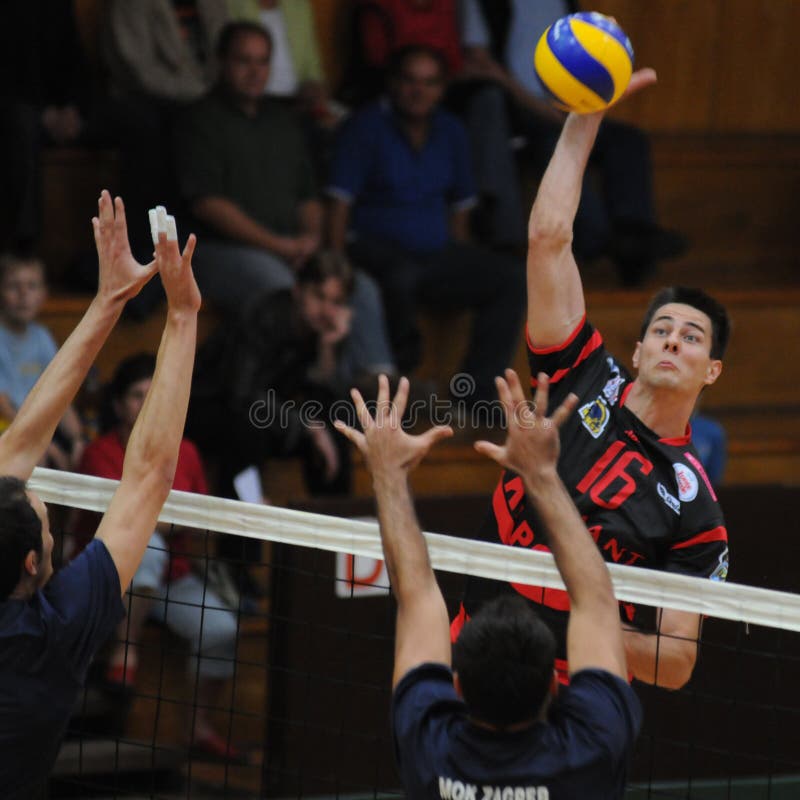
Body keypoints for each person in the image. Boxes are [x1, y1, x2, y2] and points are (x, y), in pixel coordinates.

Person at [453, 69, 730, 690]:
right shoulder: (583, 375)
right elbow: (548, 240)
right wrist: (587, 113)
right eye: (661, 328)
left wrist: (560, 616)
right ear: (636, 350)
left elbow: (676, 664)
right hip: (467, 658)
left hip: (569, 694)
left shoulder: (695, 508)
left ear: (711, 371)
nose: (672, 339)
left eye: (692, 336)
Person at [334, 371, 641, 798]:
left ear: (456, 686)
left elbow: (418, 599)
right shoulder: (590, 751)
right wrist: (541, 476)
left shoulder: (430, 749)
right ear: (554, 688)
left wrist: (388, 473)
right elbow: (598, 603)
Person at [0, 190, 201, 798]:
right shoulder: (57, 632)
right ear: (34, 563)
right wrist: (183, 315)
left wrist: (110, 299)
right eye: (43, 517)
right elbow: (147, 477)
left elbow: (18, 450)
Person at [175, 20, 395, 377]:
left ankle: (380, 387)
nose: (254, 71)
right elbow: (208, 204)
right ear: (221, 62)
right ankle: (313, 390)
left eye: (262, 61)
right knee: (281, 287)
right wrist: (280, 246)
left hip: (288, 249)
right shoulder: (199, 119)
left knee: (360, 286)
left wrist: (312, 244)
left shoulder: (284, 121)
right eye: (243, 60)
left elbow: (307, 197)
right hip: (217, 252)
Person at [328, 44, 524, 403]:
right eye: (410, 80)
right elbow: (340, 203)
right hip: (373, 250)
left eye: (430, 82)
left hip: (434, 252)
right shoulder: (363, 126)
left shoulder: (452, 130)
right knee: (401, 275)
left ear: (442, 88)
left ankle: (477, 392)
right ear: (393, 82)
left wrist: (459, 257)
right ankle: (402, 377)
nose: (419, 91)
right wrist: (336, 265)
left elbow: (461, 206)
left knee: (511, 277)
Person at [73, 353, 240, 761]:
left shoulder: (188, 452)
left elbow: (203, 523)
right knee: (146, 546)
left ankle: (196, 729)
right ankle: (125, 652)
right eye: (135, 396)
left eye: (154, 396)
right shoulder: (98, 455)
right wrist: (167, 521)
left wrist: (160, 519)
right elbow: (123, 526)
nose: (145, 405)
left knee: (221, 628)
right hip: (108, 576)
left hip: (174, 579)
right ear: (117, 404)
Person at [459, 0, 687, 285]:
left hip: (571, 106)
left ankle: (633, 235)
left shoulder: (562, 2)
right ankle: (598, 241)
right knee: (554, 143)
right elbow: (484, 68)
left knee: (629, 141)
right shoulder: (479, 5)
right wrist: (549, 110)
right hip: (517, 110)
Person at [0, 254, 85, 468]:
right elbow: (3, 405)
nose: (23, 295)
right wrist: (44, 445)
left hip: (36, 428)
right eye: (13, 286)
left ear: (43, 294)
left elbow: (58, 391)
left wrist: (78, 438)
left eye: (32, 286)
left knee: (82, 456)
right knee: (36, 458)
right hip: (8, 424)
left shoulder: (42, 337)